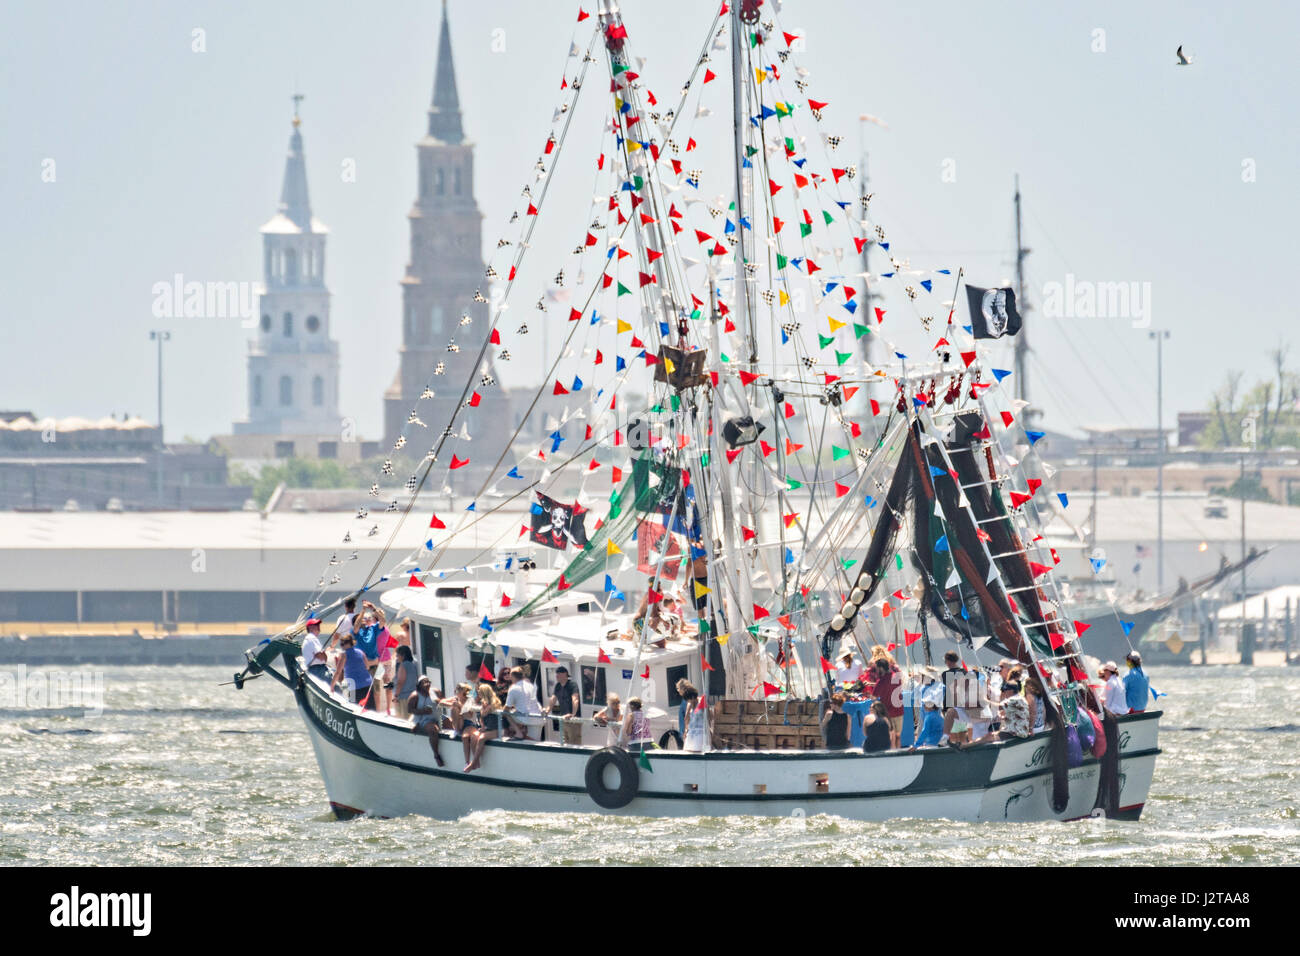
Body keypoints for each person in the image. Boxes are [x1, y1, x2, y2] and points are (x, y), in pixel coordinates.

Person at [464, 683, 502, 773]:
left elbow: (484, 713)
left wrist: (483, 708)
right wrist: (483, 727)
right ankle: (476, 762)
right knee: (474, 737)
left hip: (497, 729)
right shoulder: (483, 703)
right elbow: (481, 717)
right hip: (488, 728)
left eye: (479, 692)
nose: (478, 694)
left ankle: (473, 762)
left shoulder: (494, 702)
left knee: (481, 738)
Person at [329, 634, 374, 709]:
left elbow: (338, 672)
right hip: (368, 683)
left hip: (353, 686)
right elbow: (367, 667)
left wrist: (332, 686)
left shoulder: (344, 655)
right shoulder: (360, 652)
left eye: (342, 644)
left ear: (345, 644)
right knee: (370, 709)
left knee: (354, 709)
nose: (341, 646)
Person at [408, 676, 445, 766]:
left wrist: (440, 701)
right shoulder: (415, 696)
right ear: (419, 685)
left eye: (429, 682)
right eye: (425, 682)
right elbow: (410, 710)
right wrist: (423, 711)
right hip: (424, 719)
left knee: (451, 723)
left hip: (438, 716)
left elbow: (444, 700)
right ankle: (436, 755)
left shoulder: (435, 691)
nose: (427, 684)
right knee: (433, 730)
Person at [504, 665, 543, 740]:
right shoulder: (530, 685)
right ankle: (523, 731)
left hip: (525, 717)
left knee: (506, 714)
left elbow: (506, 708)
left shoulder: (513, 688)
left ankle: (518, 733)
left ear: (512, 676)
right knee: (535, 740)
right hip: (538, 716)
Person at [871, 657, 903, 748]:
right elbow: (893, 687)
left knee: (890, 737)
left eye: (876, 669)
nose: (876, 671)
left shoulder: (881, 681)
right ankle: (899, 754)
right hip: (899, 710)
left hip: (888, 712)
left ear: (881, 668)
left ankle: (892, 755)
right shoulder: (896, 676)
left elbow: (874, 697)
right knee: (897, 736)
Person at [911, 671, 945, 748]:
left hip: (930, 715)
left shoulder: (938, 687)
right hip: (925, 716)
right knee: (924, 732)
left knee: (927, 732)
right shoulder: (923, 687)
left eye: (924, 676)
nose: (922, 678)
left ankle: (921, 745)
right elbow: (913, 695)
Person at [392, 646, 419, 718]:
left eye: (398, 655)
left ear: (403, 655)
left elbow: (400, 682)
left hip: (403, 698)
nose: (397, 657)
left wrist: (396, 696)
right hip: (412, 696)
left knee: (402, 720)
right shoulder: (412, 664)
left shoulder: (403, 665)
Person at [682, 685, 708, 752]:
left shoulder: (701, 702)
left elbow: (710, 716)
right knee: (688, 752)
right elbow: (686, 718)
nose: (688, 701)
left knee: (698, 751)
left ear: (693, 697)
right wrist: (685, 730)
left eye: (689, 699)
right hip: (691, 733)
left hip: (700, 732)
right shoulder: (689, 704)